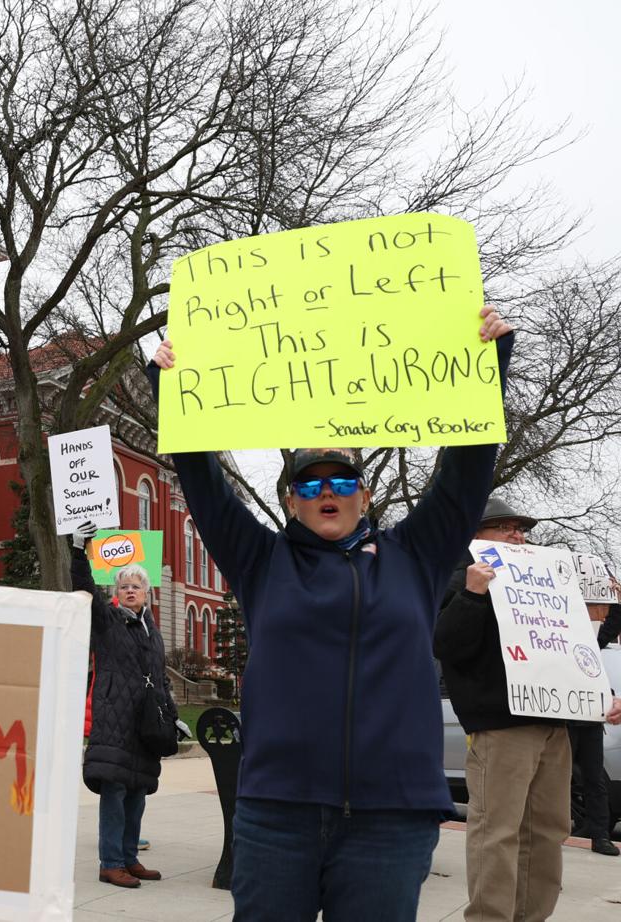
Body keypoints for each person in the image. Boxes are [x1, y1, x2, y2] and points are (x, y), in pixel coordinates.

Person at [148, 306, 515, 921]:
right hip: (276, 814)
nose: (327, 492)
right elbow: (203, 481)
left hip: (390, 820)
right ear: (290, 500)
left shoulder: (416, 555)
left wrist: (487, 369)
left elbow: (465, 473)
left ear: (365, 496)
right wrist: (175, 393)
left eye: (342, 482)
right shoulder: (260, 560)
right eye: (310, 484)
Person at [435, 498, 621, 919]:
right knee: (497, 831)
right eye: (504, 527)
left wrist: (599, 695)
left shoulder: (546, 584)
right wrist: (472, 593)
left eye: (520, 529)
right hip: (501, 728)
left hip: (555, 725)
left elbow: (571, 648)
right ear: (475, 536)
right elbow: (445, 645)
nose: (517, 535)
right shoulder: (457, 581)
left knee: (549, 830)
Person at [70, 526, 174, 888]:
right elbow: (84, 591)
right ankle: (110, 862)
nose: (130, 590)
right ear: (117, 593)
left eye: (137, 586)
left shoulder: (152, 629)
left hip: (144, 726)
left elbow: (159, 675)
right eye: (124, 586)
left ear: (147, 593)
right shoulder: (108, 621)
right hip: (114, 718)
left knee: (137, 791)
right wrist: (80, 550)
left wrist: (171, 714)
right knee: (114, 791)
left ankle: (130, 859)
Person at [570, 599, 620, 856]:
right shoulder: (551, 646)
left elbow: (610, 629)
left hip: (589, 716)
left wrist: (618, 603)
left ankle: (600, 836)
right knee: (556, 779)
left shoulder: (591, 644)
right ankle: (554, 833)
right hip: (562, 719)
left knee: (594, 779)